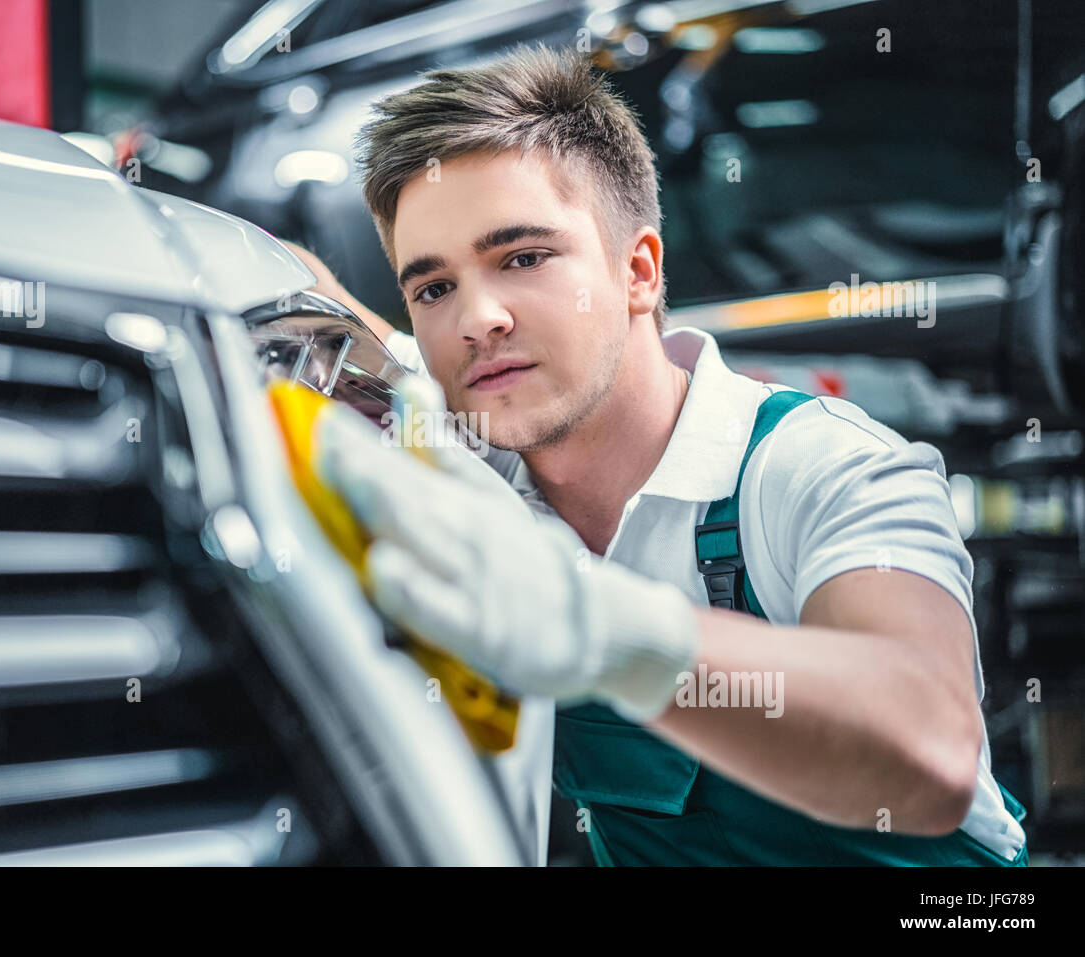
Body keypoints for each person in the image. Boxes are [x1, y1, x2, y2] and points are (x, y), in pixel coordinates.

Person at [285, 43, 1028, 866]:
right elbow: (338, 321)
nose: (477, 318)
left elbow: (926, 749)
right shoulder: (481, 461)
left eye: (523, 258)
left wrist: (600, 631)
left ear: (638, 271)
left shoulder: (823, 468)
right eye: (433, 287)